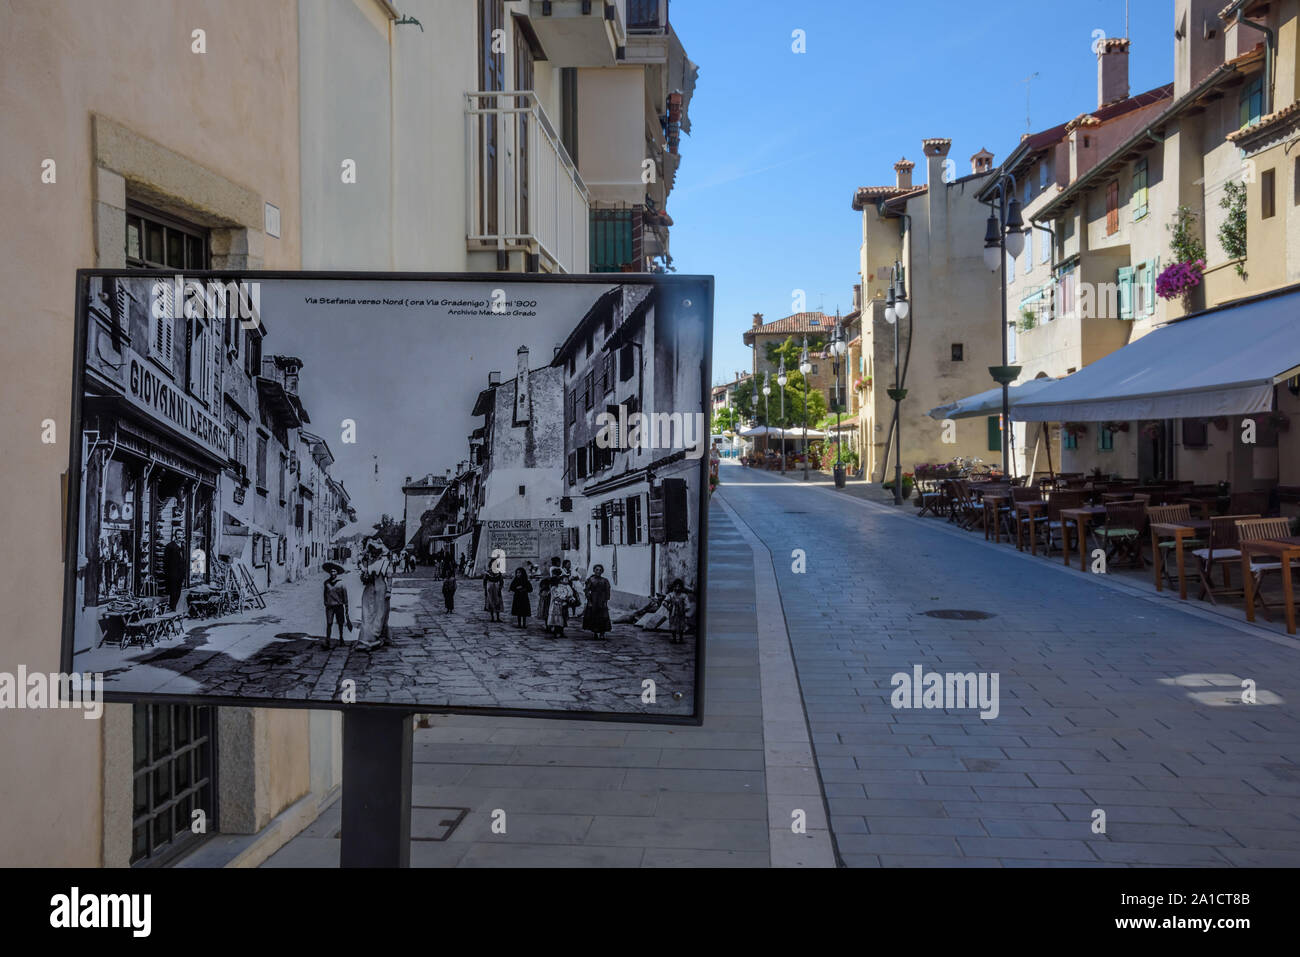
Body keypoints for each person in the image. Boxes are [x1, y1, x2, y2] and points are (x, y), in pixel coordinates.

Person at [356, 540, 393, 650]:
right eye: (372, 550)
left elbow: (389, 577)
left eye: (376, 551)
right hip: (369, 589)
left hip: (381, 589)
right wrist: (362, 569)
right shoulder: (368, 563)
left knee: (380, 613)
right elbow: (363, 578)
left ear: (380, 552)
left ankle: (376, 636)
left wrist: (389, 590)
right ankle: (366, 637)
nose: (374, 553)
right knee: (367, 612)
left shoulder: (385, 562)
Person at [321, 561, 352, 649]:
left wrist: (346, 608)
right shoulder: (326, 583)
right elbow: (325, 594)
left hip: (339, 606)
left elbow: (345, 597)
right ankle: (328, 640)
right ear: (329, 573)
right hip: (330, 606)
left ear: (337, 573)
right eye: (331, 571)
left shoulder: (342, 583)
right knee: (329, 623)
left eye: (334, 571)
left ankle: (341, 638)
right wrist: (325, 602)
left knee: (340, 623)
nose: (333, 573)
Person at [582, 565, 612, 640]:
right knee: (594, 616)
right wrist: (589, 600)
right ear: (594, 570)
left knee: (603, 616)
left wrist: (606, 601)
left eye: (600, 570)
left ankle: (602, 633)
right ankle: (595, 632)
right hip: (594, 599)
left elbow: (607, 591)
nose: (598, 571)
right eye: (597, 570)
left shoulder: (605, 580)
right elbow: (587, 590)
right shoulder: (591, 580)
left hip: (602, 600)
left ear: (602, 571)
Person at [546, 569, 575, 638]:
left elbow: (570, 594)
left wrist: (571, 599)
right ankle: (557, 632)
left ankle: (561, 631)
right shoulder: (555, 588)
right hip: (556, 605)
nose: (566, 581)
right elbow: (556, 595)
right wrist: (563, 598)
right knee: (557, 619)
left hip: (564, 605)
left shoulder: (568, 587)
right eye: (564, 579)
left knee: (563, 618)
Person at [162, 529, 187, 611]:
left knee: (178, 592)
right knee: (173, 592)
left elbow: (184, 560)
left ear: (183, 535)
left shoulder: (183, 546)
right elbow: (165, 561)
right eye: (178, 534)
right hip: (172, 573)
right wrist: (167, 573)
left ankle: (174, 606)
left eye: (181, 534)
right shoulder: (170, 546)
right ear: (175, 535)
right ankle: (172, 607)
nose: (179, 536)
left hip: (180, 573)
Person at [663, 578, 690, 644]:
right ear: (674, 587)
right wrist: (668, 607)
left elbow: (687, 604)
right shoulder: (670, 595)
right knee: (673, 625)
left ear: (681, 587)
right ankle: (674, 638)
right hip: (673, 613)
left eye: (679, 586)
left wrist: (686, 608)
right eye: (676, 586)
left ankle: (681, 638)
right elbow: (664, 602)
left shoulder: (684, 595)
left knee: (681, 625)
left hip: (681, 613)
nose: (677, 588)